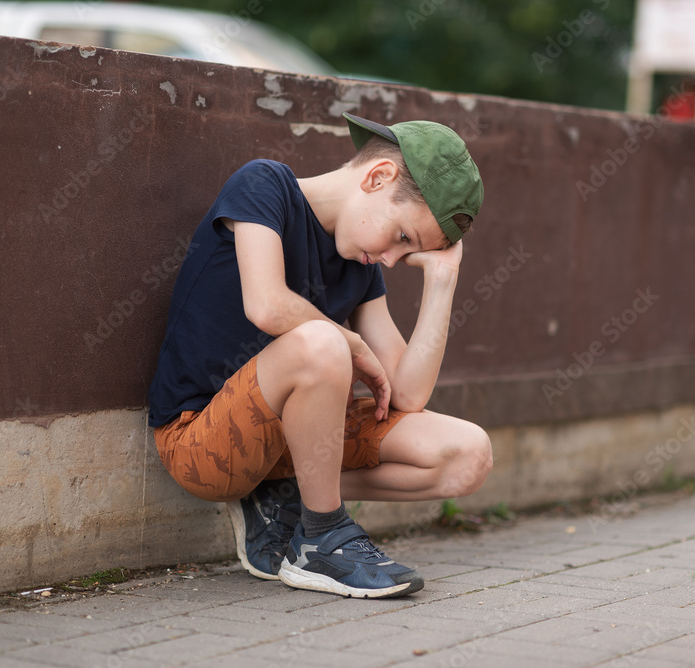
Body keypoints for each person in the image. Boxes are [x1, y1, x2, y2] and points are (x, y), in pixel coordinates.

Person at [147, 112, 492, 599]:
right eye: (401, 238)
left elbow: (408, 394)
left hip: (290, 441)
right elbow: (266, 304)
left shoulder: (360, 263)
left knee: (467, 455)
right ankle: (321, 539)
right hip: (201, 441)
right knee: (322, 342)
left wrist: (442, 282)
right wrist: (349, 342)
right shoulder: (264, 185)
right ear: (377, 177)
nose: (393, 260)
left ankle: (286, 495)